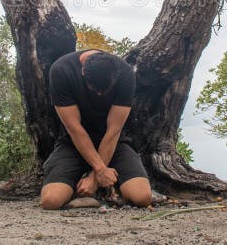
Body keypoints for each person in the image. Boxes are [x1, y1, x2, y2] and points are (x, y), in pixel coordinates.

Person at [39, 49, 152, 210]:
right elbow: (75, 129)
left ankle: (108, 186)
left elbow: (113, 131)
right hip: (73, 144)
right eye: (94, 89)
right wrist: (100, 169)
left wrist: (95, 178)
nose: (99, 94)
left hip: (113, 143)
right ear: (83, 71)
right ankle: (86, 183)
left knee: (142, 197)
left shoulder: (125, 73)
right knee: (51, 201)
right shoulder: (61, 71)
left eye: (104, 91)